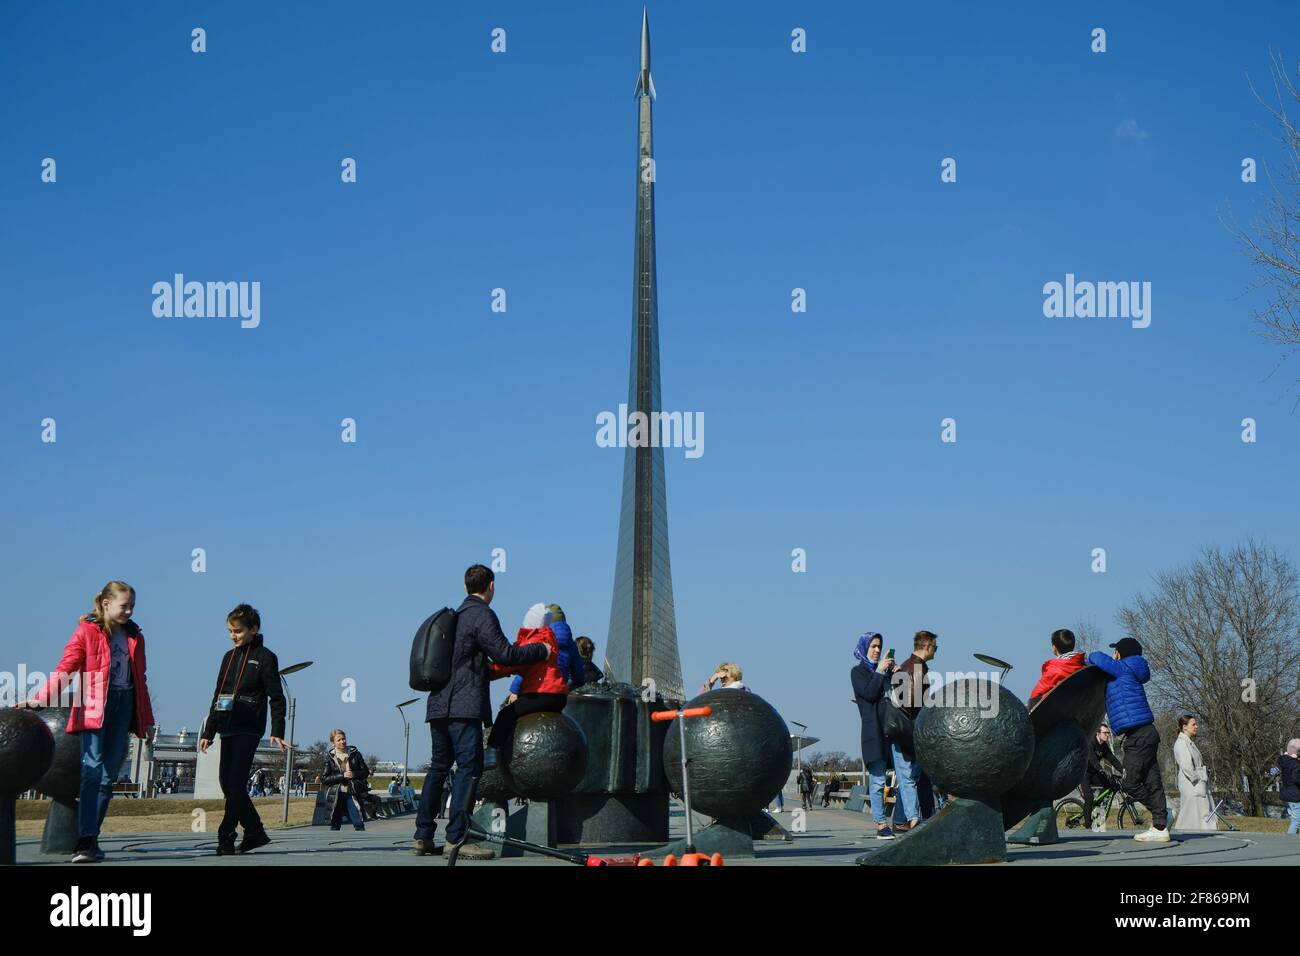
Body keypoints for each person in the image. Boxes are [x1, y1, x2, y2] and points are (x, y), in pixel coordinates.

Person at [412, 564, 551, 860]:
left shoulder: (453, 618)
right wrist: (541, 650)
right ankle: (457, 839)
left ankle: (422, 836)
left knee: (438, 768)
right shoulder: (482, 615)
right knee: (468, 769)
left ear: (465, 587)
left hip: (438, 706)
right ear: (491, 587)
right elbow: (506, 654)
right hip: (464, 708)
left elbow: (474, 666)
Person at [19, 581, 156, 863]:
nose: (129, 611)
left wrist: (147, 720)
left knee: (108, 777)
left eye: (132, 606)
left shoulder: (135, 637)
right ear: (106, 604)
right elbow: (65, 669)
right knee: (91, 771)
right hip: (95, 706)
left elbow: (140, 680)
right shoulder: (87, 632)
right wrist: (39, 700)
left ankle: (90, 838)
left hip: (124, 706)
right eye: (124, 606)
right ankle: (83, 841)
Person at [198, 604, 288, 856]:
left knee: (235, 783)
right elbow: (218, 695)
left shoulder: (266, 657)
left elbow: (276, 697)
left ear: (253, 629)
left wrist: (277, 730)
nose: (233, 636)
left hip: (249, 727)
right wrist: (209, 731)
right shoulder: (228, 657)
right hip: (227, 726)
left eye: (237, 631)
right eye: (230, 631)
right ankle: (255, 830)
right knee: (227, 783)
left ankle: (226, 836)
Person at [1086, 637, 1169, 842]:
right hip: (1148, 732)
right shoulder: (1133, 669)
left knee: (1130, 784)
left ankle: (1162, 816)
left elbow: (1094, 657)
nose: (1114, 654)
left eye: (1116, 651)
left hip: (1137, 736)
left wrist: (1092, 660)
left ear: (1121, 653)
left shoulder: (1121, 668)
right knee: (1153, 782)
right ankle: (1160, 828)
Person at [487, 603, 569, 765]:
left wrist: (489, 670)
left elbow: (513, 663)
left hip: (542, 694)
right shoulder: (549, 638)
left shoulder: (534, 641)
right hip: (558, 696)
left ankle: (491, 751)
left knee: (506, 714)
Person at [889, 631, 937, 833]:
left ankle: (917, 817)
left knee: (917, 776)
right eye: (935, 646)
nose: (936, 650)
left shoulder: (910, 665)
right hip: (911, 731)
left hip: (907, 731)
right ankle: (905, 819)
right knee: (911, 777)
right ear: (927, 646)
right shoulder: (916, 667)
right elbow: (910, 704)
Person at [850, 632, 897, 840]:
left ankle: (909, 820)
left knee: (905, 779)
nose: (877, 650)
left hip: (894, 732)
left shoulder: (884, 673)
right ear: (864, 648)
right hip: (874, 733)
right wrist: (879, 672)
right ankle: (880, 824)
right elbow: (869, 694)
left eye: (879, 646)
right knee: (878, 782)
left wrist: (895, 674)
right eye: (873, 646)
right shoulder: (857, 672)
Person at [505, 604, 583, 700]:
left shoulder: (543, 640)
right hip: (560, 695)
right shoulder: (571, 645)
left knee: (505, 714)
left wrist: (514, 690)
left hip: (537, 691)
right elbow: (578, 676)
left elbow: (526, 668)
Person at [320, 729, 371, 831]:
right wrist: (342, 776)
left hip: (352, 793)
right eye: (338, 740)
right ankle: (335, 845)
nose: (342, 742)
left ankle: (362, 844)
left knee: (358, 822)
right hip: (336, 794)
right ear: (333, 743)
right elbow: (324, 779)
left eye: (343, 739)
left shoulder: (355, 754)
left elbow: (365, 772)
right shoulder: (329, 757)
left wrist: (354, 774)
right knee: (335, 824)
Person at [1172, 715, 1215, 831]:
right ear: (1184, 727)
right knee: (1191, 816)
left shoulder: (1189, 742)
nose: (1197, 726)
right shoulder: (1181, 743)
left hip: (1196, 785)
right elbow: (1187, 767)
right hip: (1192, 785)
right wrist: (1199, 779)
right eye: (1193, 724)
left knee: (1198, 815)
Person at [1027, 629, 1086, 706]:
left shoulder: (1054, 668)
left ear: (1054, 647)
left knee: (1032, 701)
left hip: (1057, 707)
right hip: (1075, 703)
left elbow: (1037, 692)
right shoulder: (1081, 663)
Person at [1083, 723, 1125, 828]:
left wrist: (1123, 770)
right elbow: (1092, 759)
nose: (1107, 735)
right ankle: (1087, 826)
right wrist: (1100, 769)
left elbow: (1113, 760)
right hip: (1083, 773)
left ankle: (1097, 807)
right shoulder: (1090, 743)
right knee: (1089, 798)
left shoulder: (1104, 746)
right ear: (1098, 733)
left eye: (1108, 733)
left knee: (1110, 784)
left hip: (1095, 772)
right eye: (1105, 733)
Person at [1279, 739, 1300, 835]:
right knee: (1297, 820)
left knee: (1295, 819)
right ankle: (1290, 839)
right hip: (1294, 795)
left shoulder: (1285, 762)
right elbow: (1296, 778)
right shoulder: (1295, 764)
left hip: (1287, 794)